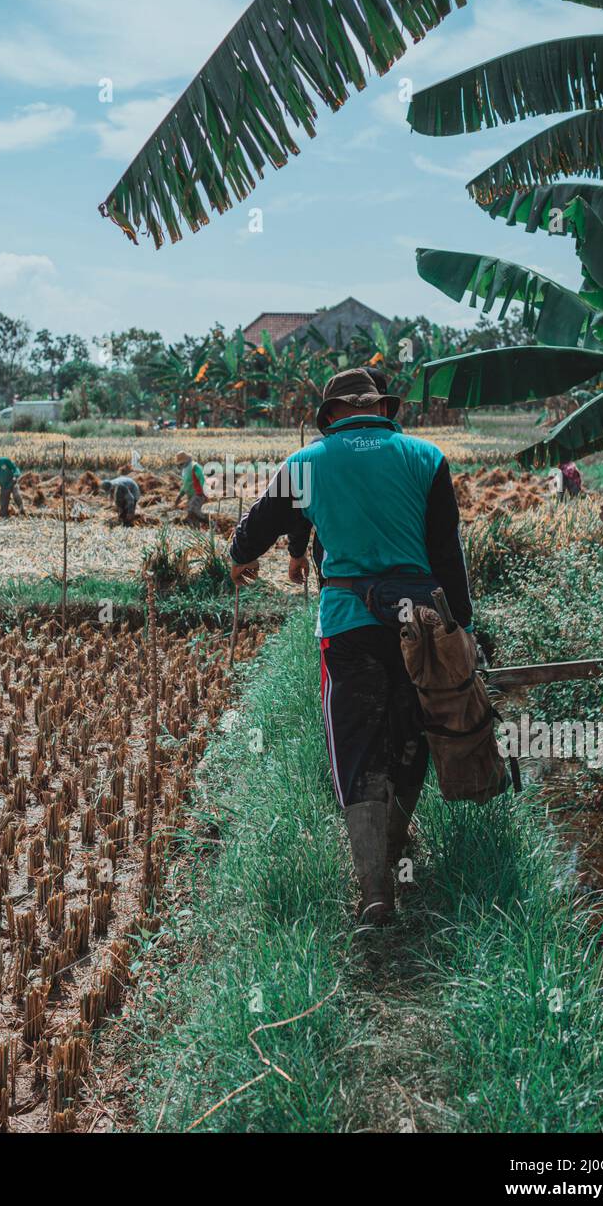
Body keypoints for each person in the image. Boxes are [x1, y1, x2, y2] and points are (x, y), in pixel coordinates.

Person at [229, 368, 475, 928]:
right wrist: (462, 630)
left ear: (331, 416)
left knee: (357, 747)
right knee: (414, 732)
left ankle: (374, 893)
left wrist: (240, 558)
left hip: (348, 625)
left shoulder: (308, 464)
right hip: (424, 623)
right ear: (382, 410)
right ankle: (394, 837)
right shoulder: (427, 458)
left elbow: (254, 531)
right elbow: (447, 554)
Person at [174, 452, 210, 526]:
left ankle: (208, 521)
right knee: (191, 514)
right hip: (192, 495)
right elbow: (186, 485)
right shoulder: (185, 470)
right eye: (180, 464)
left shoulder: (195, 467)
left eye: (181, 463)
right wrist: (180, 495)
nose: (181, 465)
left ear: (186, 460)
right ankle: (196, 528)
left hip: (199, 493)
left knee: (192, 509)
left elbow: (202, 479)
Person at [0, 452, 25, 519]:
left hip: (12, 482)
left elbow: (14, 468)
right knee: (3, 505)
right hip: (4, 486)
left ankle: (22, 510)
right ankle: (5, 517)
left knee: (16, 495)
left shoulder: (4, 461)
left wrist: (15, 476)